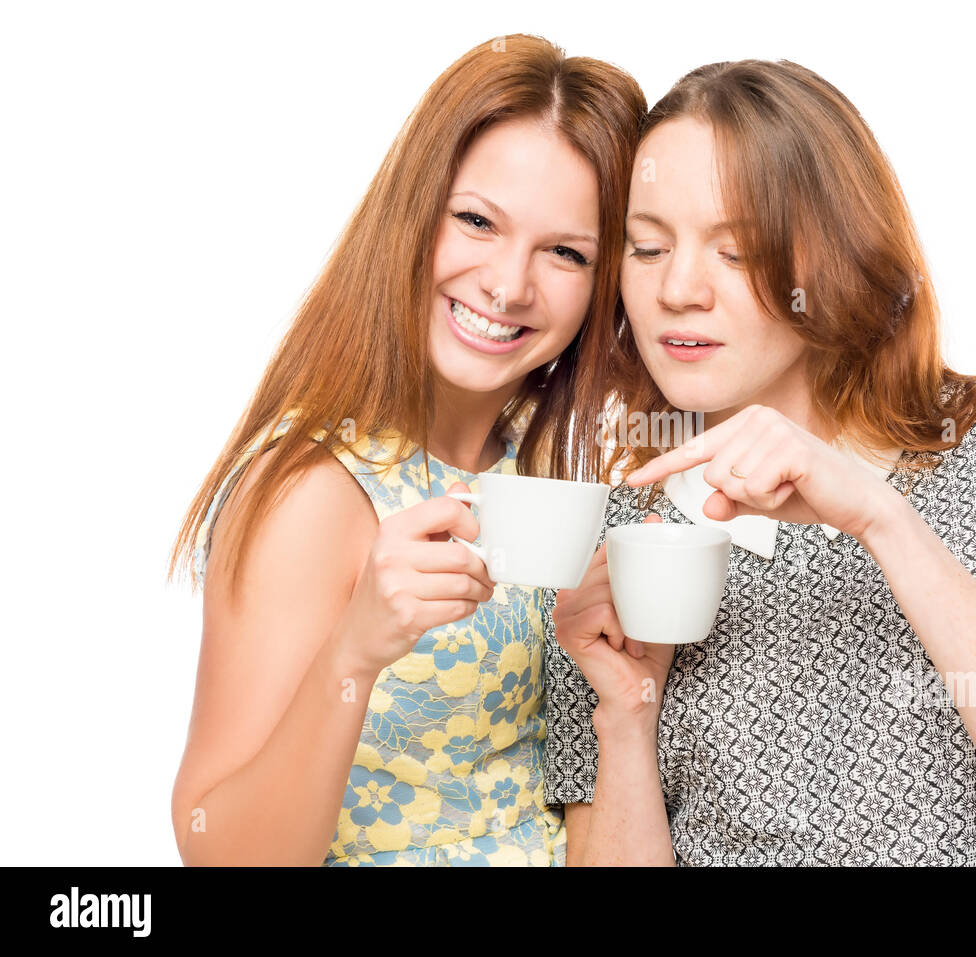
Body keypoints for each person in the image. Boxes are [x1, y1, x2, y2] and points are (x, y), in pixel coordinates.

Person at [544, 59, 976, 866]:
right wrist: (626, 715)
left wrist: (880, 517)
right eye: (647, 247)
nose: (678, 289)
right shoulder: (620, 539)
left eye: (736, 251)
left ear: (834, 254)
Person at [167, 34, 644, 866]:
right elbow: (217, 850)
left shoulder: (538, 466)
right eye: (477, 221)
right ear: (413, 213)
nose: (508, 285)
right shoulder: (314, 490)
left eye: (566, 252)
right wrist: (354, 648)